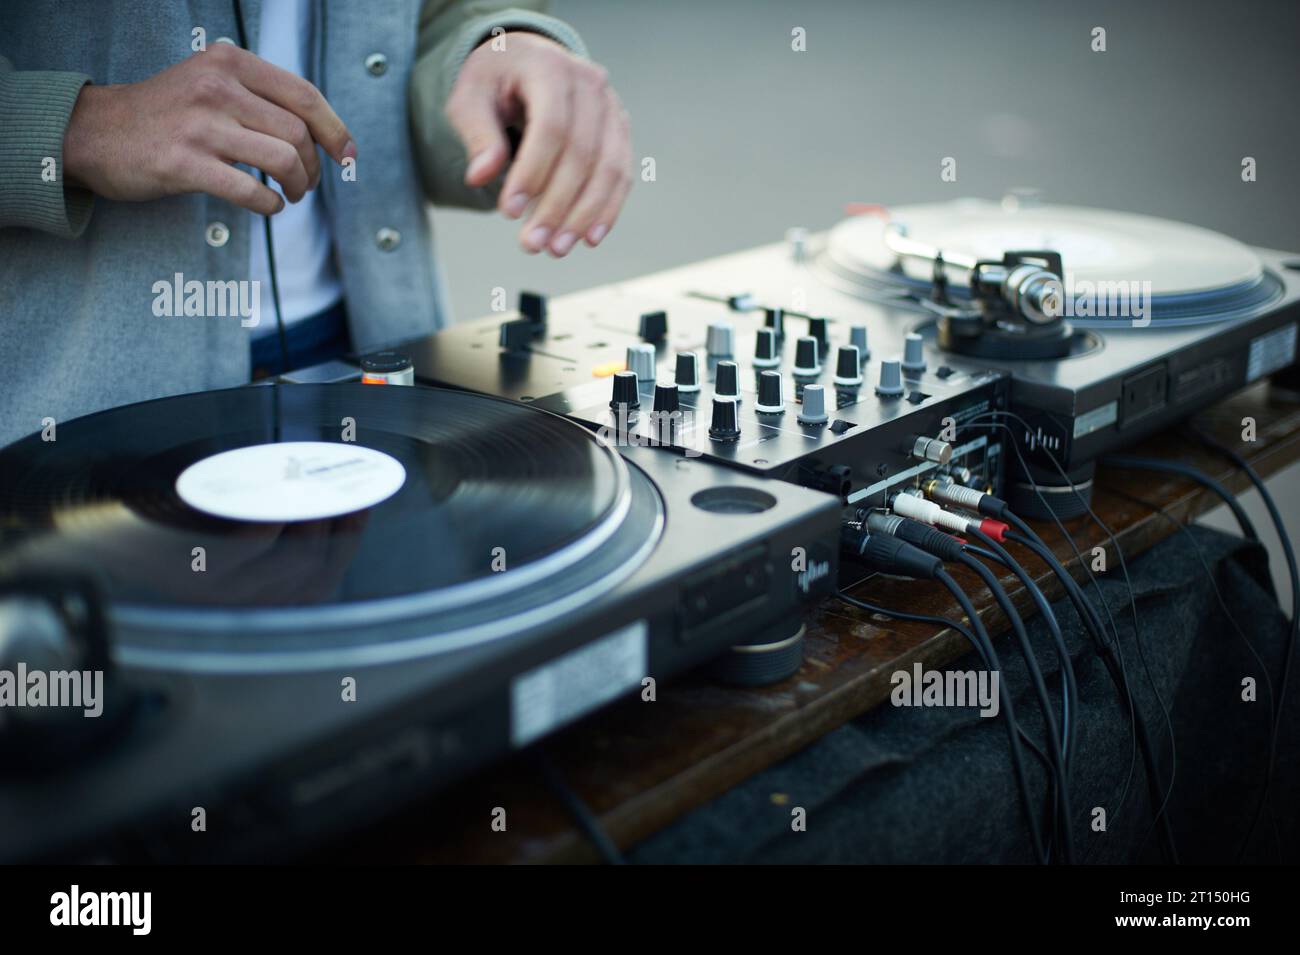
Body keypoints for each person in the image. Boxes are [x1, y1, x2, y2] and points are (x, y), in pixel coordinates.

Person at [0, 1, 631, 445]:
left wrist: (500, 46)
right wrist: (76, 129)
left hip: (378, 349)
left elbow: (440, 19)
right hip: (74, 399)